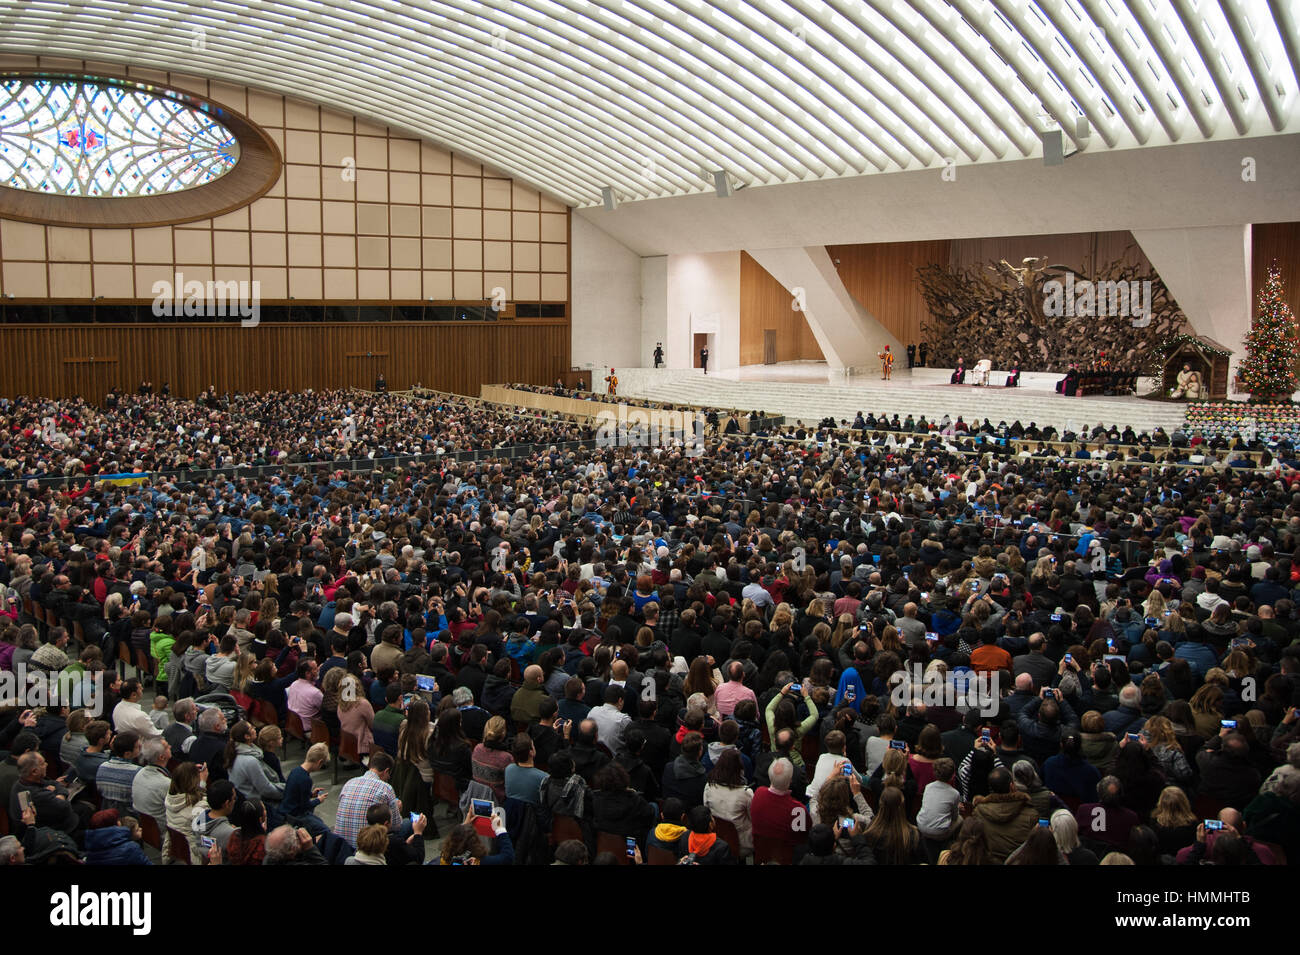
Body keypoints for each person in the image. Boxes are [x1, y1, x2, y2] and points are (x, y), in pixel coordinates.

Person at [333, 751, 401, 848]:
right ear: (386, 771)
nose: (389, 777)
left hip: (341, 846)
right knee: (406, 825)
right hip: (367, 846)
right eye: (389, 774)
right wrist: (396, 810)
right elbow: (396, 825)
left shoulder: (349, 783)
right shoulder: (386, 788)